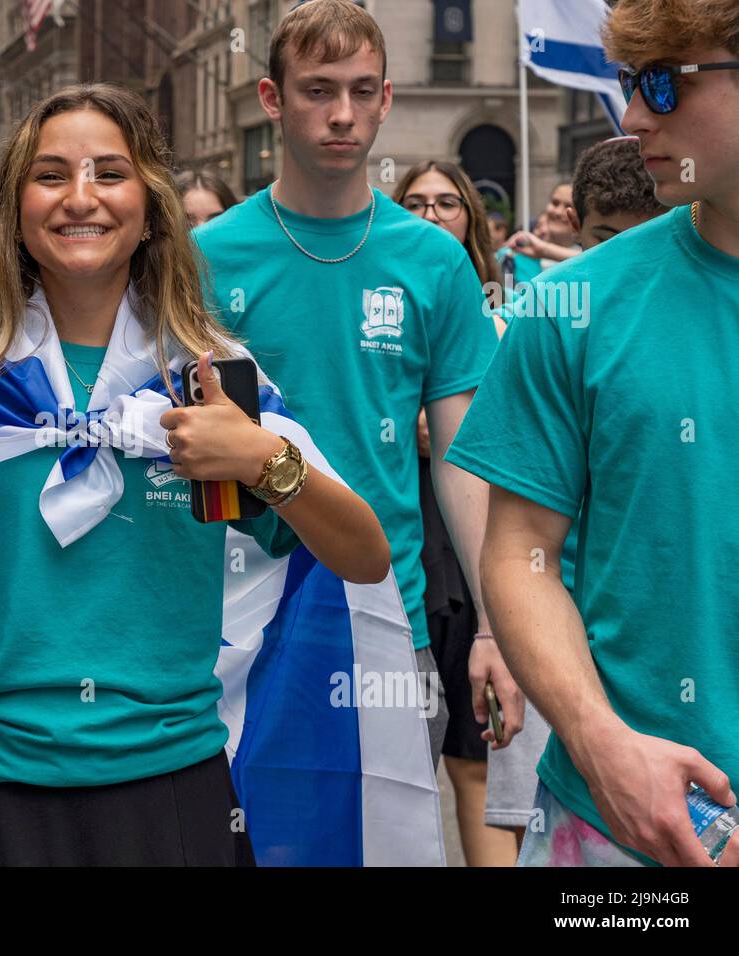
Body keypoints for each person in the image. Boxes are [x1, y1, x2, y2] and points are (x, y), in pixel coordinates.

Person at [0, 82, 392, 866]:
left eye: (110, 173)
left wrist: (260, 458)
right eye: (51, 175)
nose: (81, 197)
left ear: (151, 207)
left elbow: (364, 554)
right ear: (15, 209)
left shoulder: (211, 380)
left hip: (170, 784)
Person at [446, 0, 739, 867]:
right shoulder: (574, 307)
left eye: (663, 83)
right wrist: (602, 744)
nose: (635, 115)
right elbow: (518, 551)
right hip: (616, 829)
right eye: (626, 84)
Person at [194, 0, 516, 767]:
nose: (343, 115)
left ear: (386, 98)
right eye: (318, 90)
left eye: (362, 90)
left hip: (387, 619)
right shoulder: (204, 256)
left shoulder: (434, 262)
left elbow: (464, 459)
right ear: (272, 99)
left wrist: (494, 627)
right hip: (235, 622)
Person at [392, 159, 515, 867]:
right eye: (416, 201)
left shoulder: (500, 319)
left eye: (446, 202)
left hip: (468, 552)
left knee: (474, 760)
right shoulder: (375, 296)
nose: (433, 213)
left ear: (470, 215)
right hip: (400, 545)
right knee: (399, 767)